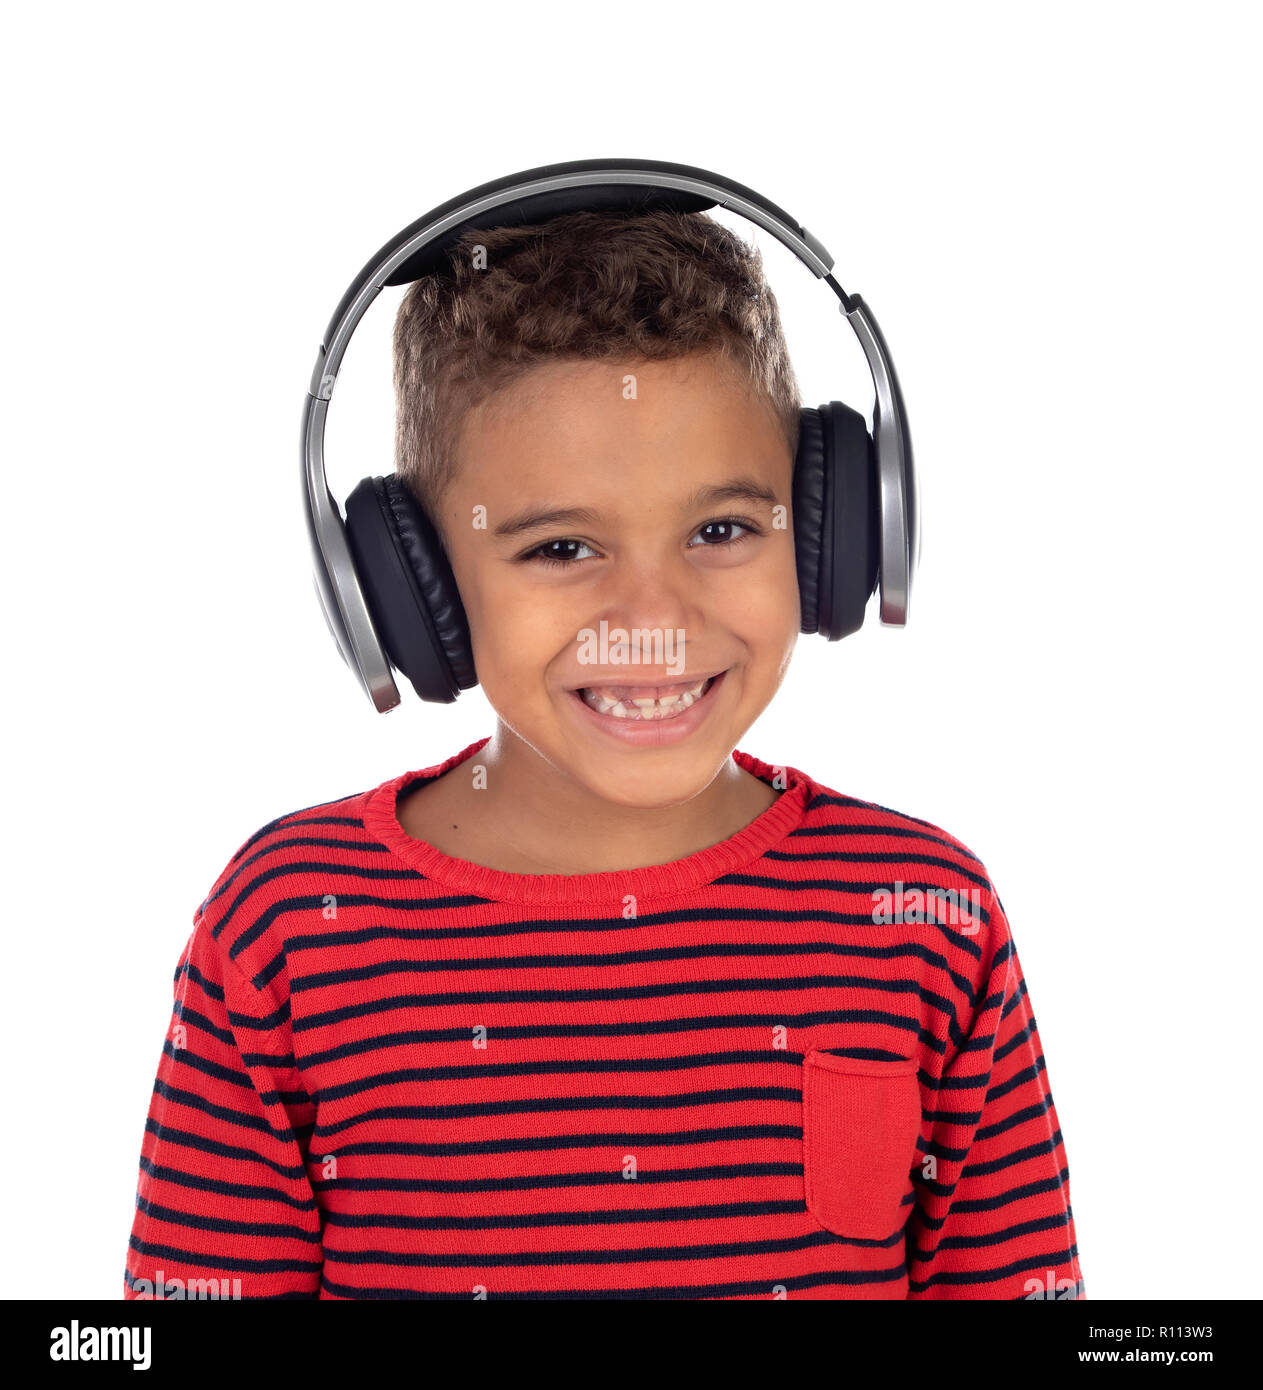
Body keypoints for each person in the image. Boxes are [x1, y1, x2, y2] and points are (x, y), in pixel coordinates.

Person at [124, 206, 1083, 1300]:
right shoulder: (286, 930)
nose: (650, 616)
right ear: (408, 587)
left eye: (722, 529)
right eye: (562, 547)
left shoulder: (926, 912)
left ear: (831, 540)